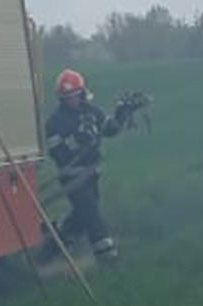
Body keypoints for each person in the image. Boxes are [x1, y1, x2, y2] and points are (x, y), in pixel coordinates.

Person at [42, 68, 134, 261]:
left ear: (83, 93)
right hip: (72, 178)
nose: (72, 100)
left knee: (82, 216)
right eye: (68, 98)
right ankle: (107, 256)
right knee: (91, 214)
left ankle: (55, 239)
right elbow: (56, 153)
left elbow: (109, 130)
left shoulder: (92, 111)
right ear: (61, 99)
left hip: (92, 174)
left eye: (75, 96)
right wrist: (78, 139)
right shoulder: (54, 122)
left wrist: (123, 112)